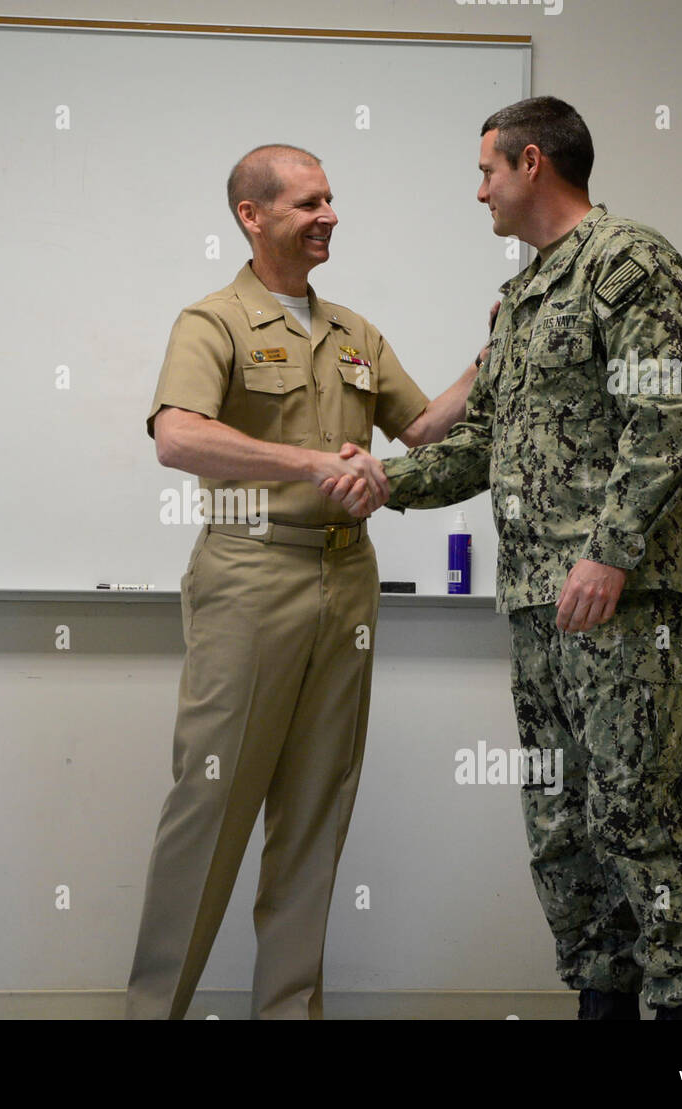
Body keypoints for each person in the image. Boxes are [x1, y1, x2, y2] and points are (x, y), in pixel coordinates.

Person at [328, 97, 682, 1019]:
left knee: (638, 809)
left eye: (486, 173)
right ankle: (602, 999)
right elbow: (482, 446)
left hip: (623, 597)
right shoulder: (522, 300)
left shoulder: (633, 262)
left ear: (533, 162)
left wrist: (611, 554)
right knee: (561, 822)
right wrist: (385, 479)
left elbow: (671, 416)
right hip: (540, 599)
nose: (480, 193)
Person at [126, 144, 487, 1019]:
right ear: (252, 215)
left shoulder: (355, 331)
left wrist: (496, 353)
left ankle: (288, 1010)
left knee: (317, 811)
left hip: (346, 580)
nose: (329, 215)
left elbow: (425, 430)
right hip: (251, 571)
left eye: (331, 199)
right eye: (307, 202)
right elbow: (177, 436)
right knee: (209, 804)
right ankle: (152, 1011)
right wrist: (312, 462)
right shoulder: (211, 321)